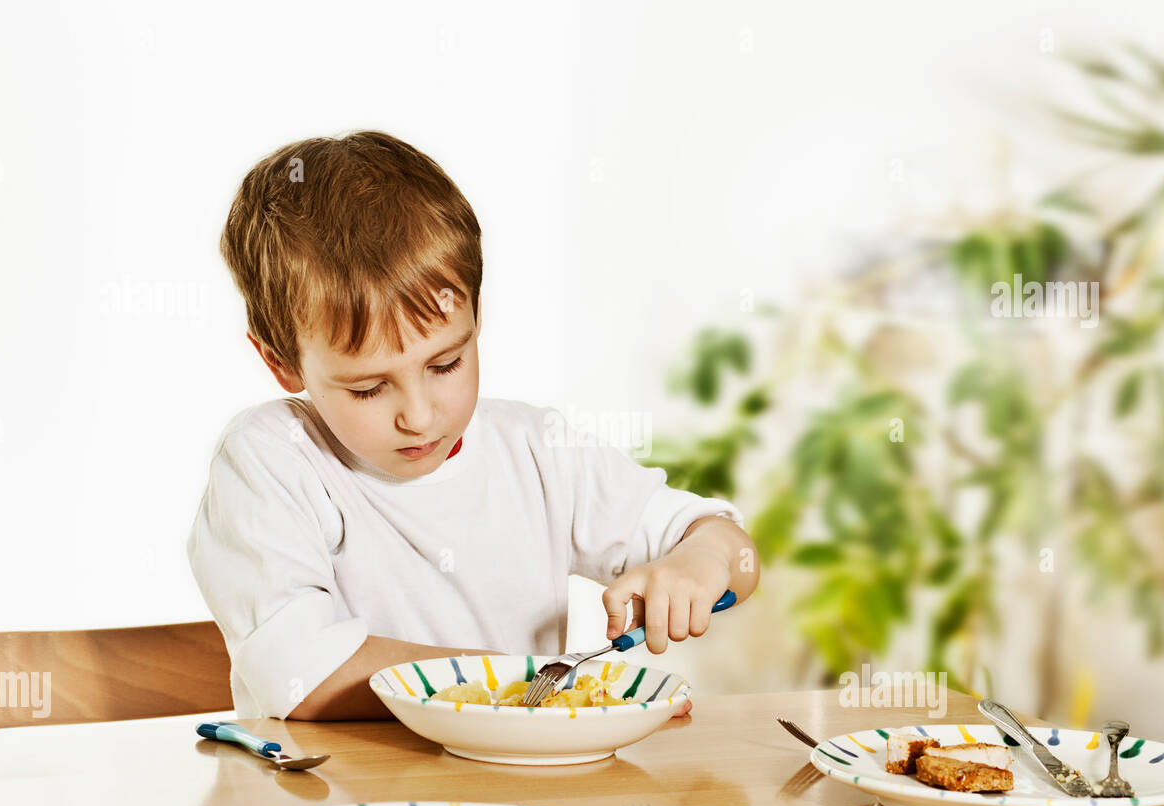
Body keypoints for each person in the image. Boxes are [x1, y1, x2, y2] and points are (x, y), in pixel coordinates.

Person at [187, 130, 759, 721]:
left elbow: (735, 557)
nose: (419, 414)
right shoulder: (272, 459)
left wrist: (701, 562)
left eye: (445, 364)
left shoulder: (537, 450)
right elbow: (304, 674)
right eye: (368, 388)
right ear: (281, 362)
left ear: (476, 316)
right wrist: (520, 688)